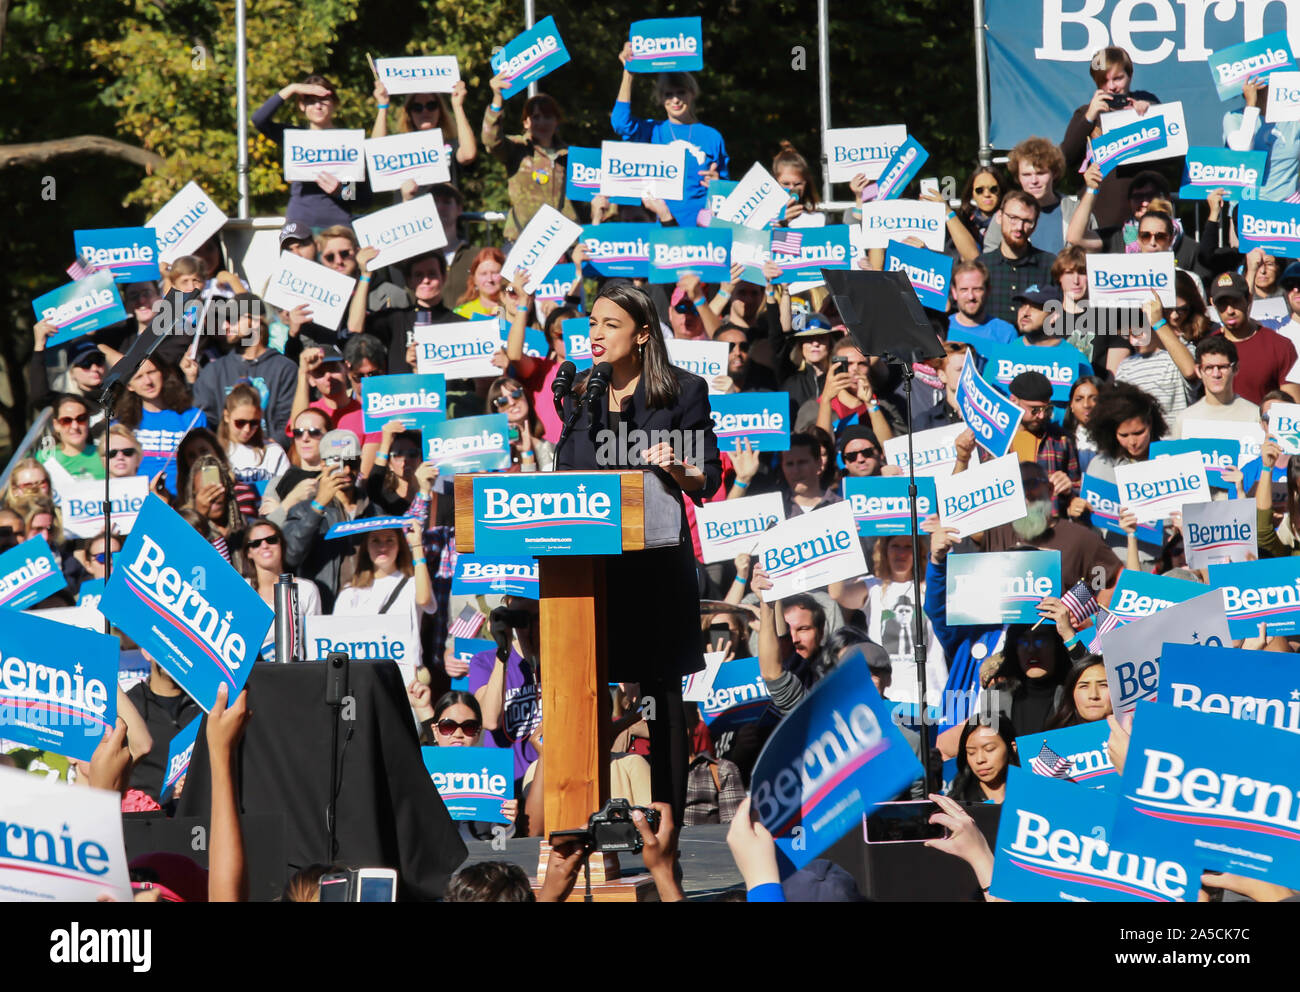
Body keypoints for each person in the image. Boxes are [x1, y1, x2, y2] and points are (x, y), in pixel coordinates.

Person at [554, 280, 722, 820]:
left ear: (644, 334)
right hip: (589, 574)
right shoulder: (582, 392)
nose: (595, 335)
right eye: (591, 324)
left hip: (655, 569)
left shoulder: (683, 391)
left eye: (610, 325)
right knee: (584, 694)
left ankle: (668, 822)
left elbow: (708, 479)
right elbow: (566, 475)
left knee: (660, 700)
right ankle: (584, 821)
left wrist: (678, 467)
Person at [611, 45, 729, 227]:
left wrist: (718, 185)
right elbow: (620, 123)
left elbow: (726, 188)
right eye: (669, 94)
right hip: (665, 227)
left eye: (681, 92)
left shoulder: (712, 136)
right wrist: (628, 72)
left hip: (705, 230)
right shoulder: (653, 131)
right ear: (660, 98)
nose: (675, 99)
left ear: (692, 94)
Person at [977, 458, 1122, 599]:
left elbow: (1109, 582)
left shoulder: (1080, 538)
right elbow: (962, 526)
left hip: (1059, 624)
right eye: (1015, 488)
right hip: (1004, 623)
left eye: (1031, 484)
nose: (1025, 493)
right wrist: (963, 459)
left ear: (1050, 489)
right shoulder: (998, 533)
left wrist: (1092, 619)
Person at [832, 535, 949, 705]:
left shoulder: (931, 586)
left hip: (932, 692)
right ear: (884, 550)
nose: (901, 552)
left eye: (908, 547)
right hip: (887, 693)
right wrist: (842, 546)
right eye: (895, 546)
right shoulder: (873, 587)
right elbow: (838, 594)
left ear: (918, 551)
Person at [1059, 46, 1160, 229]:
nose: (1112, 87)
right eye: (1104, 81)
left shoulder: (1146, 105)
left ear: (1130, 75)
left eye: (1118, 78)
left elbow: (1167, 155)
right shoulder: (1085, 113)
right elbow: (1065, 159)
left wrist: (1148, 115)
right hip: (1096, 219)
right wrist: (1089, 118)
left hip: (1141, 219)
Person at [252, 74, 370, 227]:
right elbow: (259, 120)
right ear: (302, 106)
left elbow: (365, 198)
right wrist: (292, 88)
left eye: (323, 100)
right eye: (311, 101)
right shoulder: (294, 137)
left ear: (334, 103)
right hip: (300, 226)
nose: (318, 106)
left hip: (338, 229)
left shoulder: (350, 142)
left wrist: (341, 191)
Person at [407, 687, 519, 840]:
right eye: (448, 727)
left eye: (468, 727)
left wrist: (506, 824)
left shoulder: (495, 772)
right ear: (435, 730)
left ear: (478, 733)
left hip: (482, 858)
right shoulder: (418, 770)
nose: (458, 734)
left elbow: (499, 845)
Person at [281, 428, 370, 612]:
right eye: (337, 462)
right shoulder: (303, 509)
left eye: (352, 462)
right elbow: (290, 555)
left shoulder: (374, 510)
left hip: (367, 612)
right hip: (324, 612)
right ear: (323, 464)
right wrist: (318, 506)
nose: (346, 470)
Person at [480, 82, 576, 244]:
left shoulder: (572, 156)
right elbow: (491, 140)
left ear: (557, 121)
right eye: (536, 117)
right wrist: (497, 99)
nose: (542, 123)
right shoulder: (517, 148)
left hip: (564, 242)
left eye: (548, 117)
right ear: (525, 122)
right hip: (523, 240)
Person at [193, 296, 297, 439]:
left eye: (232, 319)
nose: (225, 326)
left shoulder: (284, 368)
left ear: (255, 320)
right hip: (226, 456)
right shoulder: (214, 371)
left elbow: (287, 424)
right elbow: (204, 423)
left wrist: (266, 453)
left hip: (270, 455)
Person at [1202, 271, 1300, 406]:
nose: (1230, 310)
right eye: (1223, 304)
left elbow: (1292, 406)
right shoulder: (1207, 348)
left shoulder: (1279, 345)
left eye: (1235, 302)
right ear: (1213, 303)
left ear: (1249, 299)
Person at [983, 137, 1090, 256]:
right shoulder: (1005, 215)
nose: (1034, 181)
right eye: (1026, 174)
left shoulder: (1077, 211)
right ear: (1018, 177)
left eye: (1040, 173)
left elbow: (1095, 254)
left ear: (1054, 173)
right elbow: (990, 258)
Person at [115, 356, 204, 496]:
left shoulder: (192, 417)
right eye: (139, 377)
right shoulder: (122, 424)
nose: (148, 381)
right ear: (129, 385)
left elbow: (205, 463)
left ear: (162, 372)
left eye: (152, 372)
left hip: (184, 501)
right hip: (137, 501)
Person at [125, 652, 203, 804]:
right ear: (147, 652)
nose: (175, 654)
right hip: (143, 819)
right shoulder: (129, 706)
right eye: (169, 645)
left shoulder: (206, 707)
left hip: (193, 816)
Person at [372, 80, 477, 192]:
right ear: (409, 114)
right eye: (417, 107)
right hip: (408, 208)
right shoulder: (400, 146)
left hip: (442, 208)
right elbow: (375, 153)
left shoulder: (449, 145)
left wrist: (458, 106)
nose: (425, 111)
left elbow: (469, 154)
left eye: (431, 106)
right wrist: (383, 105)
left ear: (440, 111)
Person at [241, 517, 321, 660]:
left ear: (282, 545)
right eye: (256, 543)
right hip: (254, 676)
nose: (264, 546)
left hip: (296, 675)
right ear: (248, 553)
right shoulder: (241, 590)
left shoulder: (306, 589)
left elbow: (315, 644)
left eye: (271, 540)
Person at [333, 521, 433, 635]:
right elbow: (338, 635)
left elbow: (424, 600)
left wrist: (417, 545)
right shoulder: (350, 591)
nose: (383, 547)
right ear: (366, 547)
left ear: (399, 546)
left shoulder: (414, 583)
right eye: (375, 540)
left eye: (390, 540)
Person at [1005, 372, 1080, 518]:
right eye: (1034, 409)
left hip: (1050, 526)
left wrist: (1068, 488)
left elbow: (1077, 487)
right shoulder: (995, 437)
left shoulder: (1061, 439)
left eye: (1046, 409)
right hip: (1008, 525)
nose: (1041, 415)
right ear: (1013, 400)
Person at [1114, 296, 1195, 421]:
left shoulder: (1184, 352)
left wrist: (1158, 322)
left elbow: (1190, 370)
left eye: (1137, 333)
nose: (1132, 341)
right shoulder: (1126, 366)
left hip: (1177, 438)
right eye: (1127, 335)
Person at [979, 190, 1055, 323]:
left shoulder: (1050, 265)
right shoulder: (981, 266)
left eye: (1027, 221)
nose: (1019, 227)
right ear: (999, 217)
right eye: (1013, 218)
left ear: (1035, 225)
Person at [1224, 77, 1300, 202]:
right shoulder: (1234, 118)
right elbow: (1242, 149)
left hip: (1289, 208)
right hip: (1248, 211)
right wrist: (1251, 107)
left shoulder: (1292, 120)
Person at [1172, 336, 1259, 438]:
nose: (1216, 374)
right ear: (1198, 371)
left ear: (1235, 369)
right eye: (1209, 368)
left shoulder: (1255, 416)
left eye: (1222, 367)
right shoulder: (1184, 420)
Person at [217, 384, 290, 499]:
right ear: (226, 416)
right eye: (240, 422)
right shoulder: (215, 451)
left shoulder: (273, 451)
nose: (247, 429)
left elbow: (286, 494)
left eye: (254, 423)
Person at [261, 407, 330, 525]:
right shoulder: (277, 483)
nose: (305, 438)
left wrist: (280, 510)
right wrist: (292, 500)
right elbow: (267, 533)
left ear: (329, 436)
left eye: (314, 432)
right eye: (298, 433)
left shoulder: (334, 479)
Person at [487, 375, 554, 471]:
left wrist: (527, 452)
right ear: (496, 411)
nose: (511, 403)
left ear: (525, 397)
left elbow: (540, 484)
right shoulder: (495, 451)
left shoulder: (547, 447)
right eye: (502, 401)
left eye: (516, 394)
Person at [945, 719, 1019, 805]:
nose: (980, 760)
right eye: (971, 752)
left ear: (1013, 747)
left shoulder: (1031, 792)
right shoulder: (956, 804)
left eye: (989, 749)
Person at [945, 260, 1016, 347]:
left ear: (988, 290)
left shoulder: (1006, 333)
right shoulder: (942, 330)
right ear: (954, 292)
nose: (971, 296)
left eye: (977, 289)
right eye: (964, 289)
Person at [37, 394, 104, 483]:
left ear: (88, 421)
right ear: (56, 425)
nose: (75, 426)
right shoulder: (44, 458)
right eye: (66, 420)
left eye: (81, 418)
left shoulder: (105, 455)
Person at [1043, 656, 1111, 730]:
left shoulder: (1125, 735)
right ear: (1071, 693)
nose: (1093, 695)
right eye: (1084, 686)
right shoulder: (1052, 738)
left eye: (1103, 685)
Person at [771, 141, 824, 227]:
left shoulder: (818, 220)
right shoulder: (762, 218)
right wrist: (777, 223)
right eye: (785, 184)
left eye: (797, 184)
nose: (791, 188)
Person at [1065, 375, 1103, 474]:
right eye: (1079, 399)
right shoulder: (1060, 440)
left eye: (1094, 399)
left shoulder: (1118, 438)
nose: (1086, 405)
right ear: (1071, 405)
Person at [453, 247, 506, 319]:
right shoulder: (461, 313)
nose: (490, 279)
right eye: (483, 274)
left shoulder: (514, 309)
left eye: (495, 273)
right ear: (474, 279)